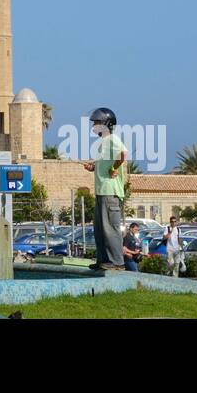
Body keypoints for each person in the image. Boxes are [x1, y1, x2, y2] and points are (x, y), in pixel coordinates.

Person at [82, 106, 127, 270]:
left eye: (97, 122)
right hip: (101, 191)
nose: (94, 125)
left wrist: (114, 168)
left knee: (110, 228)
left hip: (110, 192)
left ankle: (117, 262)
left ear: (107, 123)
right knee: (100, 229)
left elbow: (123, 154)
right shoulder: (103, 143)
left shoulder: (112, 139)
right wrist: (93, 167)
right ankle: (103, 261)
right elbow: (104, 163)